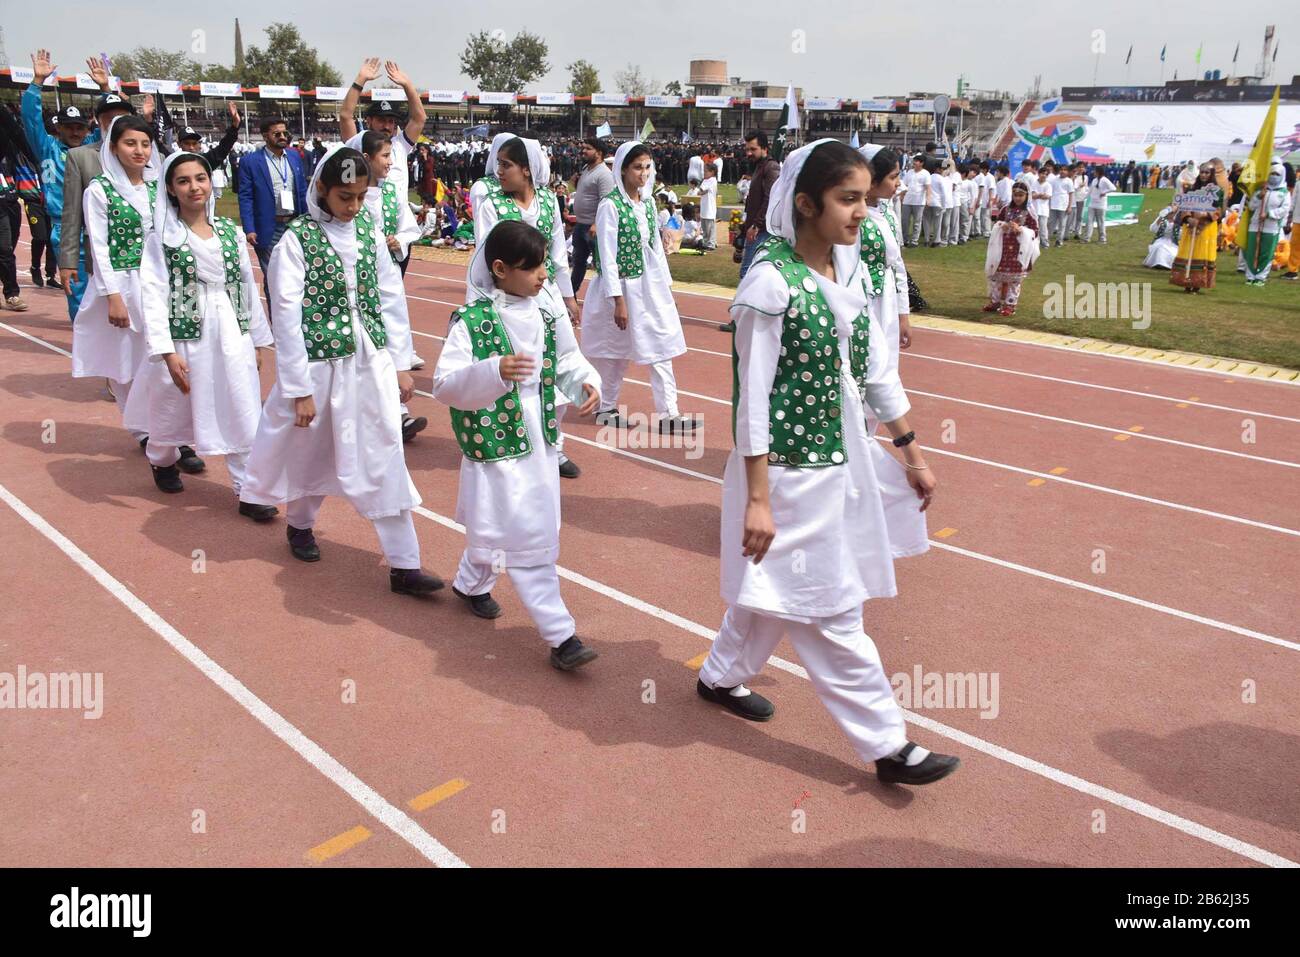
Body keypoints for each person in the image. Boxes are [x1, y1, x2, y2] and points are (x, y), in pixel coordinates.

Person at [695, 138, 958, 787]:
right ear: (807, 203)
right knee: (831, 609)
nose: (861, 211)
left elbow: (875, 373)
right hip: (785, 472)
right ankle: (888, 745)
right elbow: (750, 396)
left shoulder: (853, 273)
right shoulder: (770, 281)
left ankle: (718, 675)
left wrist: (912, 453)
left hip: (837, 459)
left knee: (774, 595)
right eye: (848, 198)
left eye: (866, 198)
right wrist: (757, 497)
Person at [240, 146, 442, 595]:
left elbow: (390, 297)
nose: (352, 207)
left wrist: (400, 363)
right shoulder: (296, 241)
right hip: (317, 367)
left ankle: (405, 565)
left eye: (359, 197)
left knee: (385, 451)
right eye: (343, 197)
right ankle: (299, 524)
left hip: (368, 363)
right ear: (322, 191)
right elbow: (287, 316)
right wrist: (297, 388)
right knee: (313, 450)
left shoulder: (370, 234)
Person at [431, 220, 602, 670]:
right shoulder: (472, 321)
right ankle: (561, 635)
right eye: (533, 267)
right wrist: (493, 371)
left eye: (546, 263)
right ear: (501, 269)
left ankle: (471, 583)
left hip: (540, 441)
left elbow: (565, 358)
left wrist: (585, 381)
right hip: (496, 445)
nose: (544, 274)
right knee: (527, 539)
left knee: (509, 526)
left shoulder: (546, 313)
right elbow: (446, 385)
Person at [124, 151, 276, 512]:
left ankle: (248, 490)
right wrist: (166, 350)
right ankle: (161, 459)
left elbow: (244, 282)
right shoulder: (161, 237)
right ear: (171, 189)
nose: (194, 187)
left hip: (230, 327)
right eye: (183, 181)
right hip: (186, 334)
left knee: (241, 404)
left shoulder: (230, 232)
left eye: (200, 178)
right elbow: (154, 291)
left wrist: (255, 337)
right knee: (174, 407)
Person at [471, 135, 584, 478]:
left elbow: (559, 256)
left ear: (527, 169)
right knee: (511, 370)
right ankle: (504, 438)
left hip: (545, 295)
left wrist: (568, 297)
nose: (498, 170)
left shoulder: (548, 201)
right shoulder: (491, 200)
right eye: (499, 163)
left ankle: (554, 444)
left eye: (507, 165)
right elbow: (488, 252)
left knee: (562, 359)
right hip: (506, 297)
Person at [70, 115, 179, 456]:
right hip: (120, 282)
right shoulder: (99, 190)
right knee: (124, 362)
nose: (140, 151)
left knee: (162, 354)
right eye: (130, 143)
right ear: (113, 148)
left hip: (157, 283)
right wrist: (112, 296)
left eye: (145, 144)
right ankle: (142, 430)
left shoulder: (158, 187)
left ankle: (169, 428)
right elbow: (99, 246)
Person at [580, 141, 697, 434]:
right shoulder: (611, 206)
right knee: (616, 354)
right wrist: (617, 300)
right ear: (622, 169)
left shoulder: (646, 204)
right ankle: (606, 408)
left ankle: (669, 414)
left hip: (648, 287)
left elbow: (655, 248)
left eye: (647, 167)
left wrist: (666, 289)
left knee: (660, 348)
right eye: (636, 168)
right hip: (619, 288)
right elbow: (606, 257)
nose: (643, 174)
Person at [359, 130, 426, 443]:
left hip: (385, 273)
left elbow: (410, 227)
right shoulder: (349, 193)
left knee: (388, 337)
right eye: (385, 156)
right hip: (354, 282)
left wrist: (399, 240)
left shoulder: (392, 193)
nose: (390, 163)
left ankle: (398, 413)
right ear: (366, 158)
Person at [236, 117, 308, 289]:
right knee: (274, 279)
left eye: (285, 133)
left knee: (300, 275)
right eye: (277, 134)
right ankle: (276, 316)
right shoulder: (250, 162)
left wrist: (308, 219)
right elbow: (245, 197)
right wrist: (249, 228)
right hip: (269, 227)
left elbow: (302, 190)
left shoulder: (294, 156)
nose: (282, 136)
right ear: (265, 136)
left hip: (295, 225)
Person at [983, 181, 1039, 317]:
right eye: (1015, 195)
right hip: (1002, 249)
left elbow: (1035, 232)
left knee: (1014, 280)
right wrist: (1002, 225)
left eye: (1021, 195)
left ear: (1026, 196)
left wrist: (1021, 230)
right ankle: (995, 302)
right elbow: (996, 221)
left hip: (1018, 251)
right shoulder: (1005, 209)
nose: (1017, 198)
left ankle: (1010, 304)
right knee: (996, 276)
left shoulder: (1029, 212)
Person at [1170, 161, 1225, 293]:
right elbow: (1185, 206)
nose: (1204, 175)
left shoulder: (1218, 192)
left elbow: (1219, 211)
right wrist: (1188, 218)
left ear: (1211, 174)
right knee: (1189, 252)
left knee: (1201, 253)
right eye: (1202, 172)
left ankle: (1197, 283)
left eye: (1207, 173)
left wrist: (1206, 215)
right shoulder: (1192, 189)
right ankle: (1186, 281)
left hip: (1207, 227)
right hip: (1191, 225)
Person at [1242, 158, 1291, 287]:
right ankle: (1250, 275)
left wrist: (1270, 214)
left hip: (1271, 227)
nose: (1274, 177)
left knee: (1266, 252)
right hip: (1255, 225)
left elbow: (1285, 209)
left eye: (1277, 175)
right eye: (1272, 174)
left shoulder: (1284, 193)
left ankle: (1260, 276)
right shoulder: (1261, 189)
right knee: (1251, 251)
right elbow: (1251, 206)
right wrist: (1259, 197)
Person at [899, 154, 929, 248]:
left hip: (919, 201)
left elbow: (928, 187)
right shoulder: (909, 172)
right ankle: (905, 239)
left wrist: (928, 198)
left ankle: (914, 241)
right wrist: (901, 196)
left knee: (917, 222)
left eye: (916, 161)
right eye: (914, 161)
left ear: (921, 163)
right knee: (905, 221)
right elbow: (904, 185)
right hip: (907, 200)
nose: (914, 163)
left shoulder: (925, 173)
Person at [1085, 167, 1115, 243]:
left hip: (1101, 204)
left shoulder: (1105, 180)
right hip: (1092, 203)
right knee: (1089, 221)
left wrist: (1104, 192)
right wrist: (1085, 197)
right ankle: (1087, 237)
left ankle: (1102, 238)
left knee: (1100, 222)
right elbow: (1090, 190)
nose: (1093, 173)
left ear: (1098, 172)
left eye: (1095, 171)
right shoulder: (1094, 180)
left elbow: (1113, 188)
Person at [1047, 163, 1074, 248]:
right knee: (1051, 224)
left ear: (1067, 172)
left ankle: (1059, 241)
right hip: (1054, 205)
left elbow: (1070, 194)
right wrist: (1049, 204)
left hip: (1063, 206)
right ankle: (1046, 240)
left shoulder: (1069, 181)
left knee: (1062, 224)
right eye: (1061, 169)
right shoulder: (1054, 180)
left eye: (1065, 170)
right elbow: (1050, 192)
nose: (1062, 171)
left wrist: (1069, 206)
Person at [924, 158, 947, 247]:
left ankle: (926, 239)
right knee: (937, 222)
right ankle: (936, 240)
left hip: (928, 201)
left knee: (926, 221)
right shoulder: (941, 179)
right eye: (942, 169)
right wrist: (944, 205)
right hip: (937, 202)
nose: (943, 170)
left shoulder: (929, 177)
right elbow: (943, 194)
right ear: (938, 169)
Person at [1030, 165, 1053, 251]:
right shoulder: (1034, 183)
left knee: (1043, 227)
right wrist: (1040, 195)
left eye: (1045, 174)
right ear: (1038, 174)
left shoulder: (1048, 185)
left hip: (1043, 210)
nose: (1043, 175)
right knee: (1033, 227)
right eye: (1042, 173)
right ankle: (1033, 242)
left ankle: (1045, 243)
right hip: (1034, 209)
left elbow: (1047, 196)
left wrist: (1038, 195)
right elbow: (1032, 195)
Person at [697, 162, 718, 249]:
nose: (704, 173)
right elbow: (701, 191)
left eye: (706, 171)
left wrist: (701, 192)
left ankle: (711, 243)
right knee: (704, 227)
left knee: (710, 227)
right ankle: (706, 242)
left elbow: (701, 190)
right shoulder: (706, 180)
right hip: (704, 207)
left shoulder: (712, 180)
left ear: (712, 172)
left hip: (710, 207)